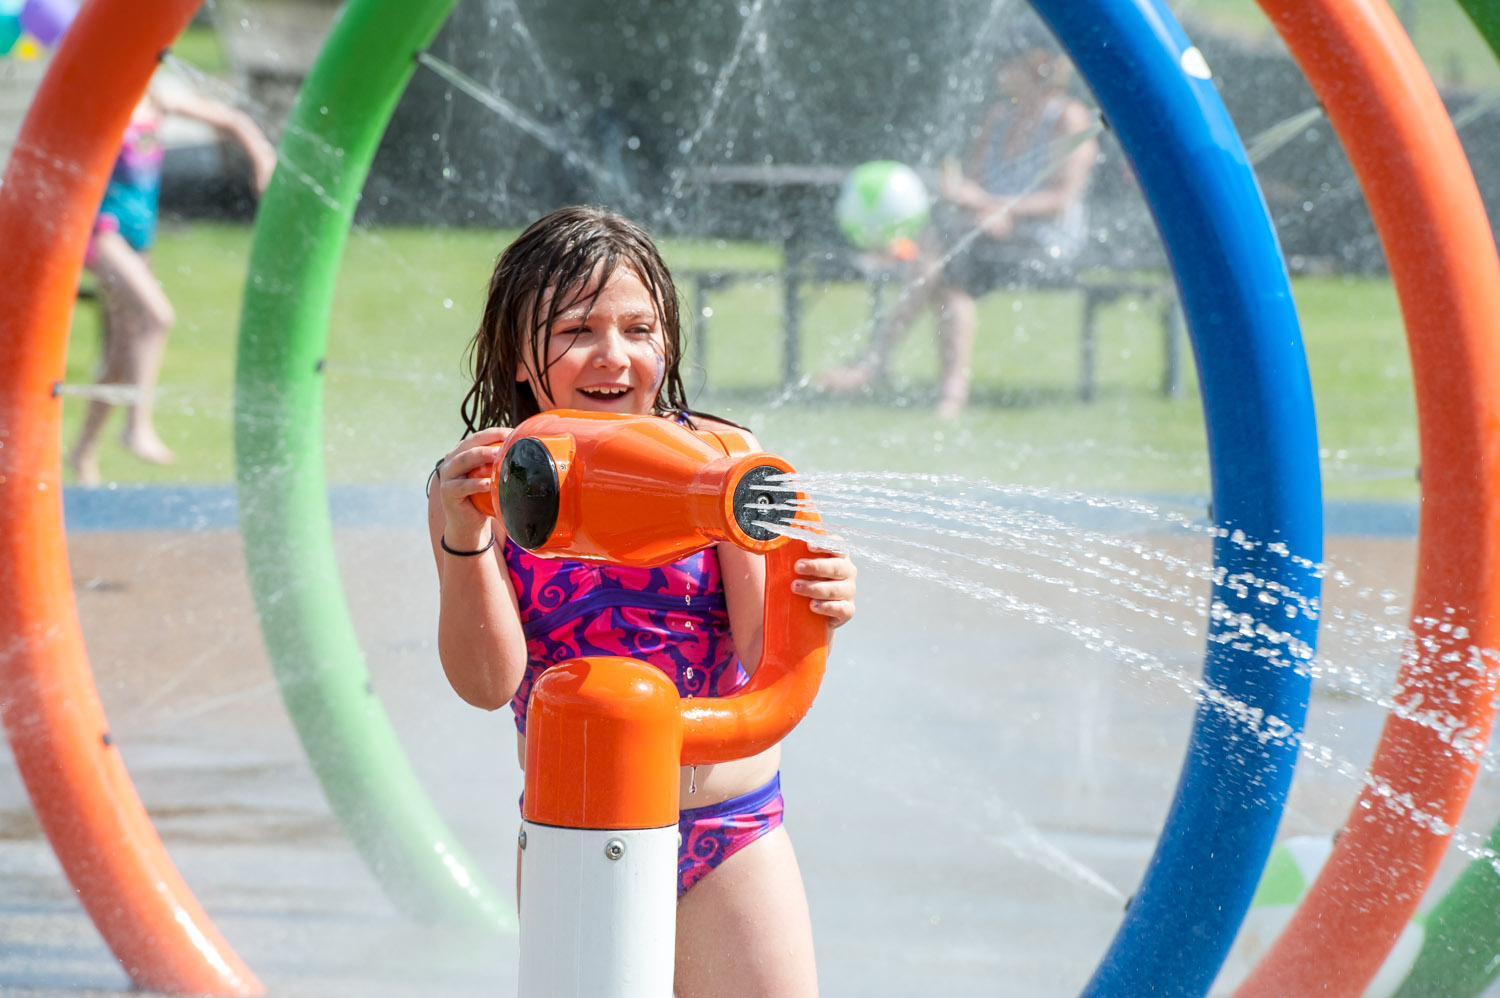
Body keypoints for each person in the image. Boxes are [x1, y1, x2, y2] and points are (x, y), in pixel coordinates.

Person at [427, 205, 857, 998]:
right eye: (576, 330)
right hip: (575, 831)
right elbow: (487, 684)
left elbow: (768, 649)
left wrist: (820, 597)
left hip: (730, 831)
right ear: (519, 354)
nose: (613, 357)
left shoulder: (720, 463)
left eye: (639, 329)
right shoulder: (492, 487)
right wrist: (463, 543)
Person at [821, 38, 1099, 419]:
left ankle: (878, 361)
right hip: (987, 236)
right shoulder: (999, 118)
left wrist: (993, 207)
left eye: (1007, 59)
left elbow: (1060, 201)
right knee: (950, 268)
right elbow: (975, 188)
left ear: (1039, 65)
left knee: (944, 259)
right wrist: (973, 203)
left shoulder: (1069, 117)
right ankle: (945, 389)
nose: (998, 67)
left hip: (1047, 240)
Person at [67, 73, 277, 486]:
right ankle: (137, 426)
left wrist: (261, 156)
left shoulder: (157, 99)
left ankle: (83, 451)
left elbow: (231, 120)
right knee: (155, 316)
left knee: (122, 355)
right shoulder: (101, 103)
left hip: (136, 241)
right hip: (100, 234)